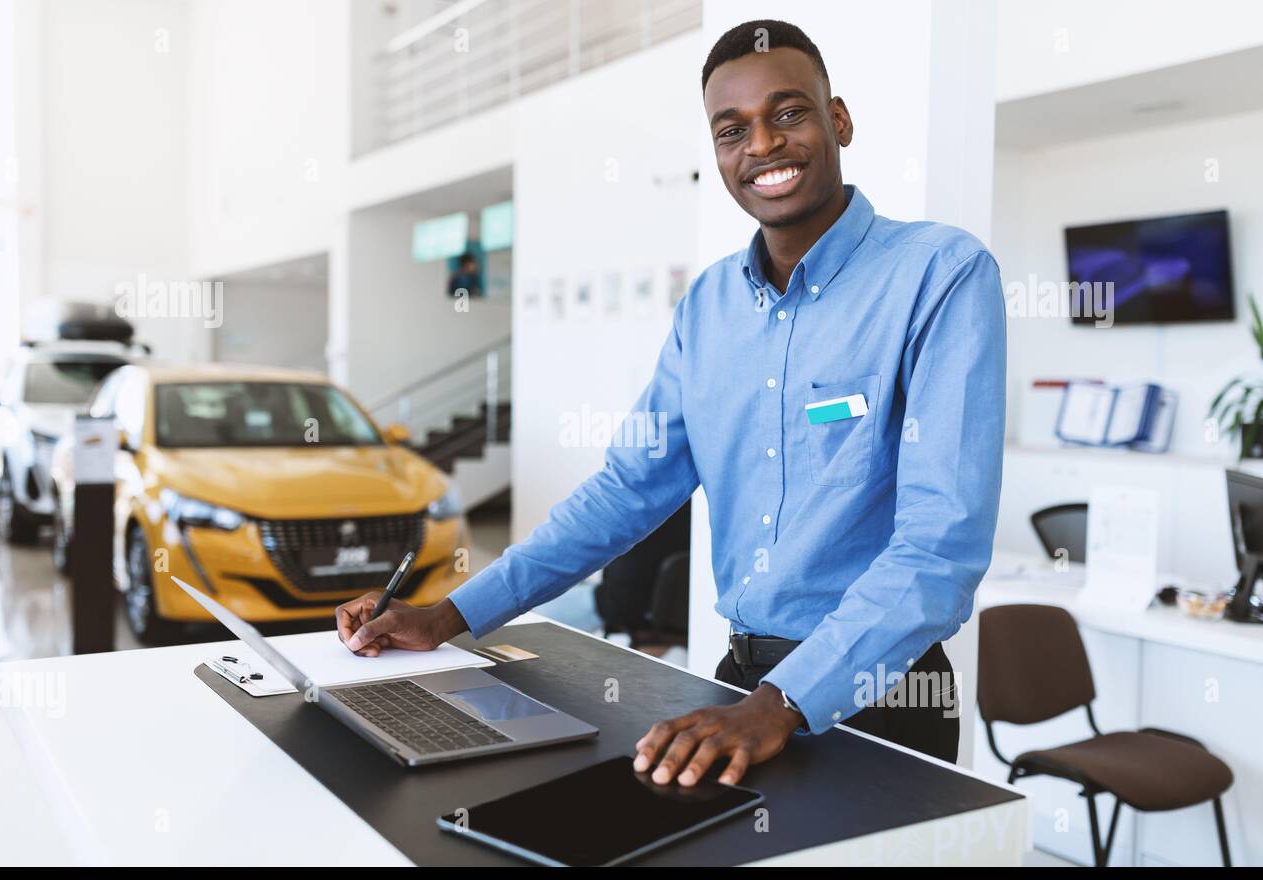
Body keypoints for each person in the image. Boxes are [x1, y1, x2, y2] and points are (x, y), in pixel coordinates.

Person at [337, 19, 1006, 787]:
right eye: (732, 130)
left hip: (882, 698)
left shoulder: (941, 275)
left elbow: (940, 547)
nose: (762, 145)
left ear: (839, 120)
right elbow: (627, 491)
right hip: (738, 681)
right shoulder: (709, 306)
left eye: (788, 113)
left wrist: (783, 703)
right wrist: (450, 615)